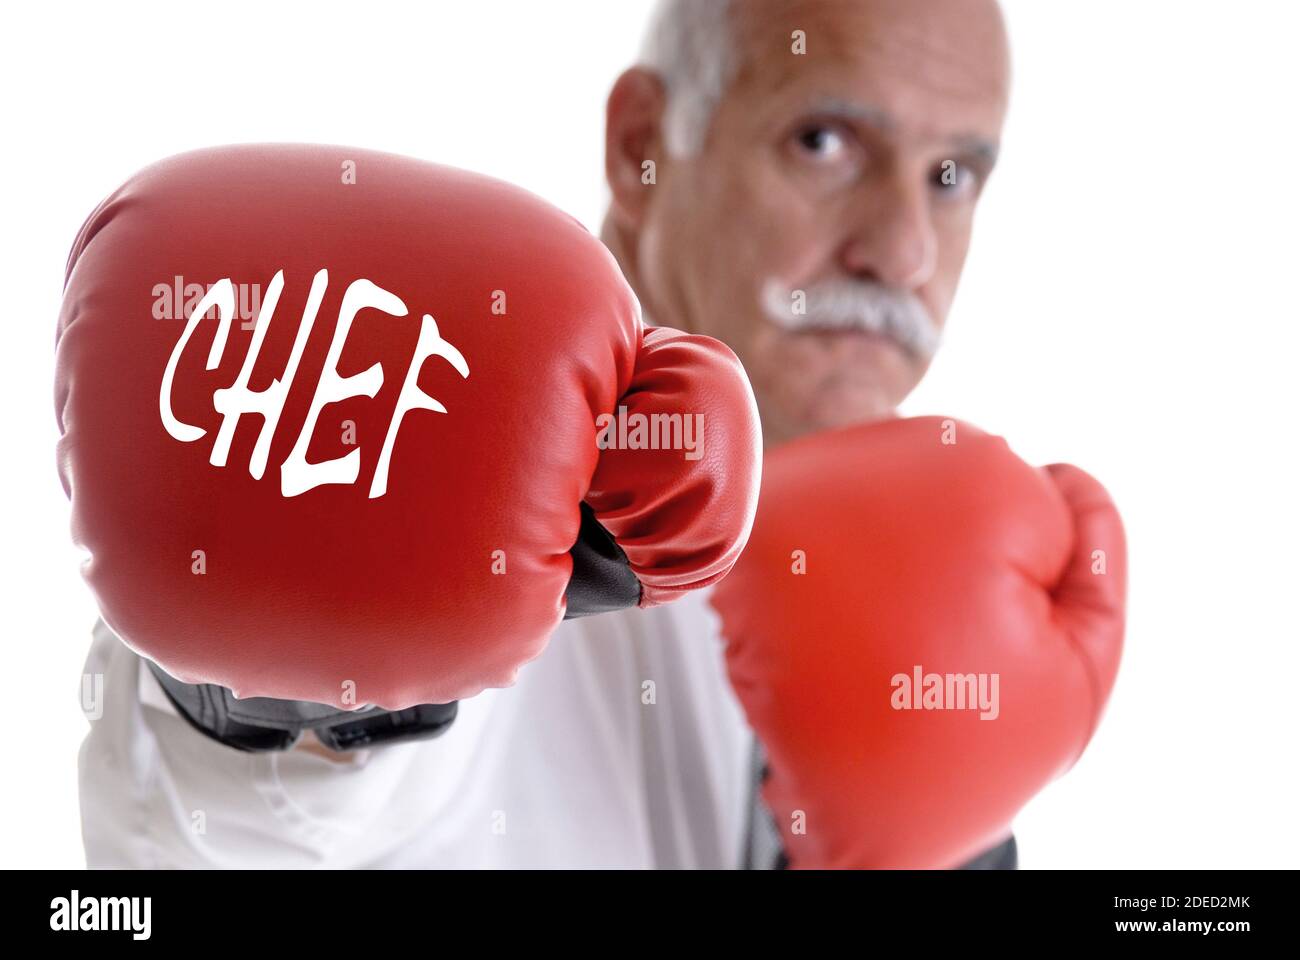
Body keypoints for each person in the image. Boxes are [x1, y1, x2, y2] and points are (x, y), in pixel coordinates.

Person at [77, 0, 1020, 869]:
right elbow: (253, 831)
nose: (904, 249)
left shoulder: (941, 583)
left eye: (952, 175)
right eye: (824, 142)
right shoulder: (455, 437)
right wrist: (289, 712)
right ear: (641, 144)